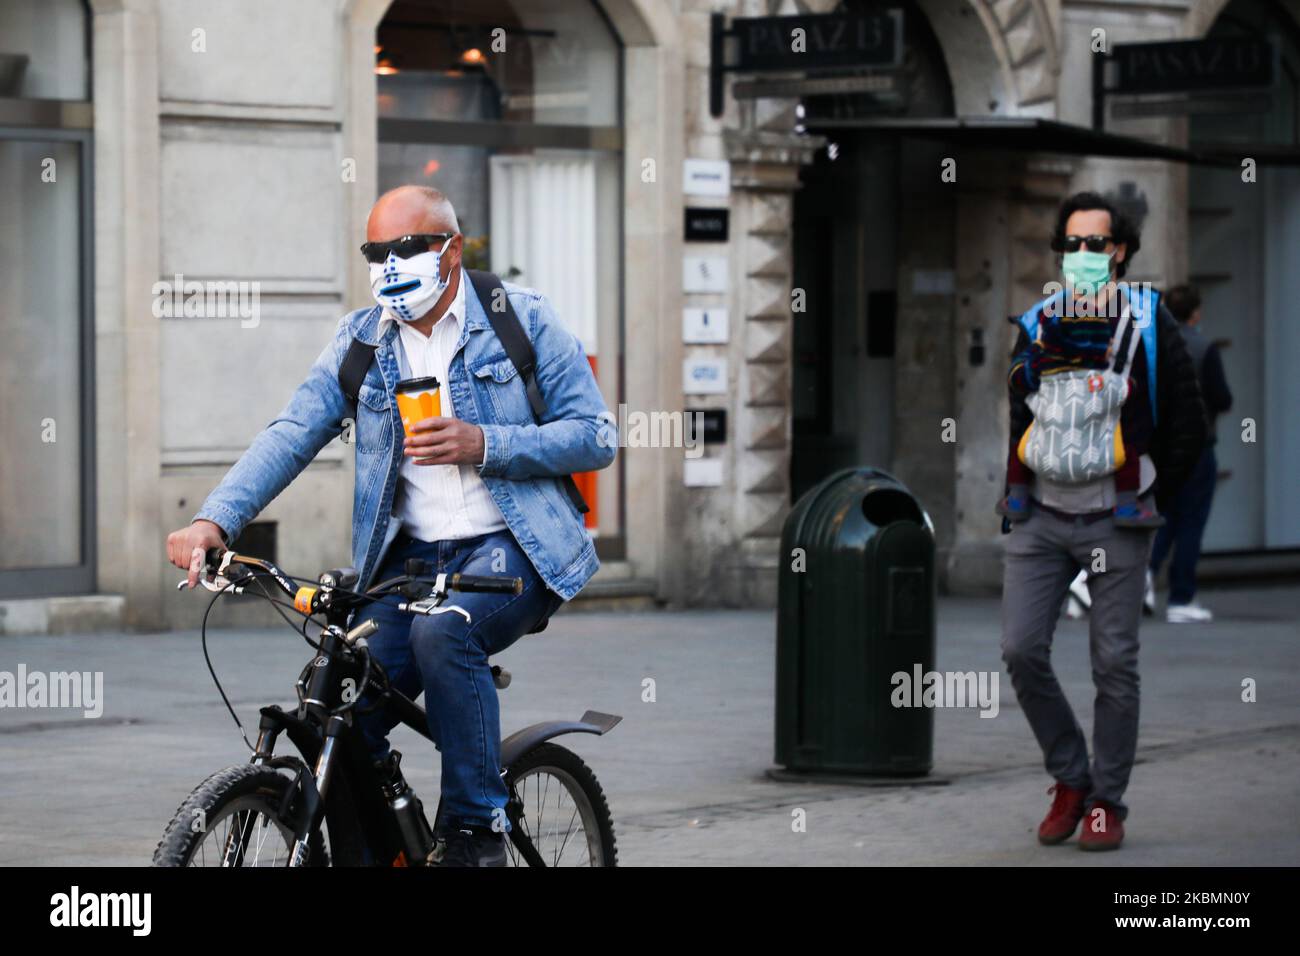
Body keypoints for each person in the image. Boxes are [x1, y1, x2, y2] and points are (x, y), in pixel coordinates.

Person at [165, 186, 615, 866]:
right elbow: (290, 434)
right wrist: (214, 518)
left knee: (446, 632)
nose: (389, 265)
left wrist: (484, 443)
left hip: (513, 550)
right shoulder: (362, 342)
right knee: (340, 701)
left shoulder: (521, 320)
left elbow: (594, 436)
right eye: (377, 252)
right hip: (411, 560)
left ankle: (476, 831)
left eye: (407, 248)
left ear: (451, 250)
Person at [1000, 191, 1207, 851]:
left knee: (1114, 662)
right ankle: (1070, 777)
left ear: (1119, 250)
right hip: (1039, 515)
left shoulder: (1149, 322)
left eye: (1097, 244)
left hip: (1118, 519)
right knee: (1020, 649)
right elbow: (1018, 412)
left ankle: (1105, 803)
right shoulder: (1036, 320)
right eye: (1073, 244)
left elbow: (1190, 424)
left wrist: (1151, 497)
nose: (1083, 256)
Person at [1147, 284, 1233, 623]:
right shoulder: (1203, 347)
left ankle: (1145, 577)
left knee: (1164, 518)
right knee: (1191, 521)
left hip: (1163, 448)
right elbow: (1223, 398)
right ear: (1195, 312)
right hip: (1198, 446)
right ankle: (1181, 597)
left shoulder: (1155, 346)